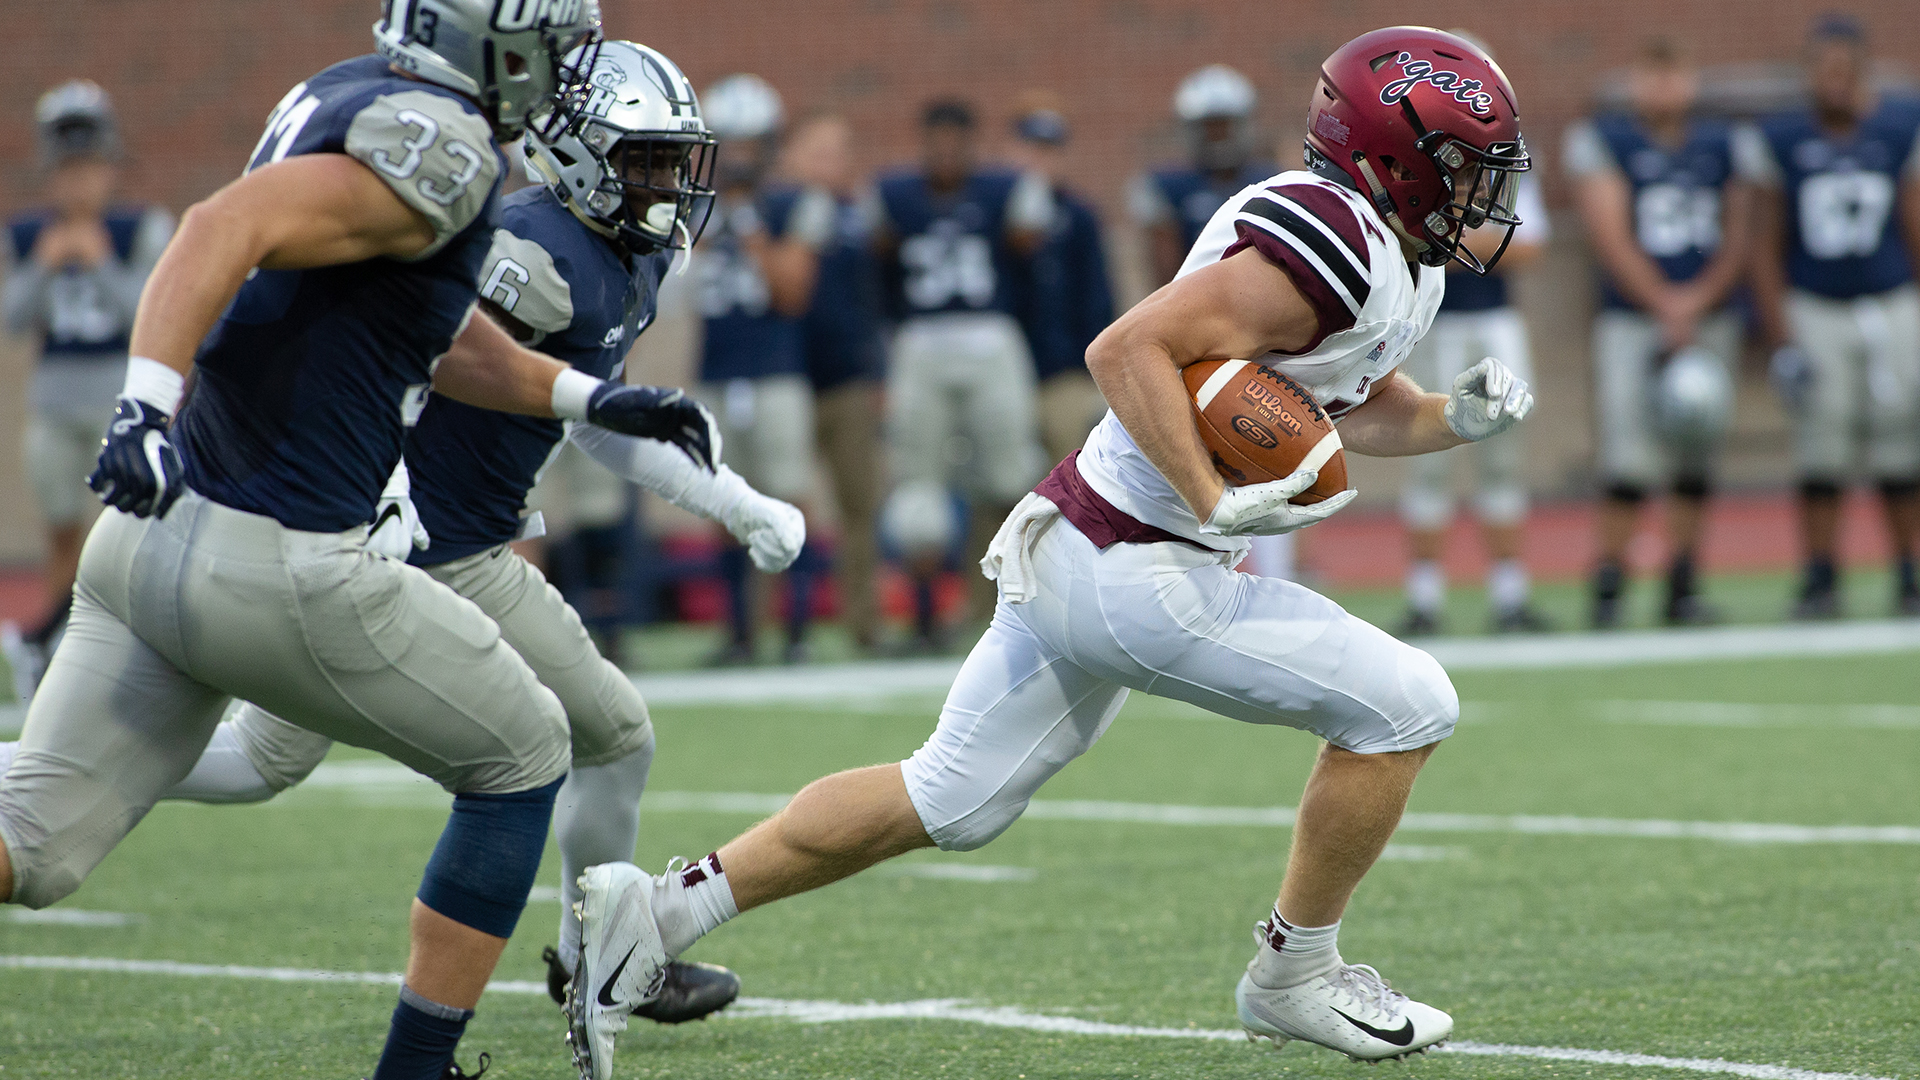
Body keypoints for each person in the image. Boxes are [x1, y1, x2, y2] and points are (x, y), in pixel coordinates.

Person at [567, 27, 1536, 1080]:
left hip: (1084, 544)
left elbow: (1349, 397)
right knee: (1409, 704)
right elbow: (1126, 348)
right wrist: (1214, 496)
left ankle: (651, 919)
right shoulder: (1327, 236)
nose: (1481, 198)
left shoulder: (1394, 258)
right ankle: (1293, 975)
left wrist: (1455, 419)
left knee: (948, 799)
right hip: (1139, 564)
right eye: (1461, 171)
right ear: (1391, 158)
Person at [0, 39, 805, 1027]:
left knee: (262, 763)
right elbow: (403, 354)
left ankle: (34, 775)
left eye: (673, 161)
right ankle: (608, 958)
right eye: (646, 161)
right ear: (583, 156)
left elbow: (589, 413)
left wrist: (732, 501)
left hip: (428, 532)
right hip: (431, 542)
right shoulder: (532, 250)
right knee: (606, 737)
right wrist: (388, 488)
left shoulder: (620, 254)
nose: (669, 184)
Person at [1564, 36, 1751, 629]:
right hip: (1633, 318)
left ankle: (1683, 582)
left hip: (1709, 314)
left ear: (1691, 82)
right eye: (1652, 76)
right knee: (1629, 457)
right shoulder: (1607, 139)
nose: (1663, 89)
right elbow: (1609, 235)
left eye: (1673, 76)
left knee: (1696, 452)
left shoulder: (1724, 143)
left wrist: (1695, 301)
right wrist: (1668, 303)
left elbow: (1741, 229)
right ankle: (1610, 584)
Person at [1740, 13, 1920, 618]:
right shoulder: (1783, 137)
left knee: (1902, 445)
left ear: (1864, 73)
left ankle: (1908, 571)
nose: (1834, 83)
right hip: (1815, 304)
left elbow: (1914, 225)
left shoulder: (1899, 126)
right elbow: (1764, 244)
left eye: (1845, 71)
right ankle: (1821, 577)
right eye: (1823, 71)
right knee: (1823, 446)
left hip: (1890, 298)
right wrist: (1781, 334)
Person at [1, 81, 173, 701]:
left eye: (90, 170)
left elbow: (155, 311)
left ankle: (122, 648)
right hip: (54, 403)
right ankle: (53, 644)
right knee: (61, 536)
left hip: (115, 402)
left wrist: (100, 262)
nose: (79, 186)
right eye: (68, 172)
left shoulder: (139, 229)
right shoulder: (27, 237)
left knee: (126, 535)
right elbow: (11, 319)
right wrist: (43, 265)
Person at [1396, 32, 1553, 636]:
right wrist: (1472, 245)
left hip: (1489, 318)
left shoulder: (1504, 149)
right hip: (1425, 320)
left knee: (1503, 456)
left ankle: (1510, 595)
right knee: (1424, 454)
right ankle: (1424, 598)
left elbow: (1527, 243)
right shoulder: (1409, 148)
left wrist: (1444, 245)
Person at [877, 99, 1048, 649]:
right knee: (917, 483)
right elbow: (874, 268)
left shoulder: (1002, 189)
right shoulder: (894, 195)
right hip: (922, 338)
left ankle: (1018, 606)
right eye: (937, 141)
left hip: (989, 333)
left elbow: (1031, 252)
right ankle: (925, 615)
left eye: (956, 141)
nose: (946, 153)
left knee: (1010, 474)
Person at [695, 74, 828, 664]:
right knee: (721, 504)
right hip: (717, 371)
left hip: (775, 372)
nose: (741, 158)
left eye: (751, 143)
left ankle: (796, 629)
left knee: (788, 495)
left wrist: (748, 225)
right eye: (732, 143)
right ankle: (738, 633)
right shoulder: (693, 208)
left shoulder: (794, 204)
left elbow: (790, 293)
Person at [789, 114, 887, 652]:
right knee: (782, 501)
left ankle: (863, 623)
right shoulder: (777, 211)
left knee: (859, 505)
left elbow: (874, 301)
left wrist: (879, 372)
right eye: (818, 151)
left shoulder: (857, 219)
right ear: (793, 157)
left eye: (839, 152)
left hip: (849, 378)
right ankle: (784, 625)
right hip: (786, 376)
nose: (831, 163)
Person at [1006, 92, 1116, 466]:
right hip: (1007, 363)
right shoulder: (995, 208)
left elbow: (1096, 292)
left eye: (1048, 151)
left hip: (1063, 367)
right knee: (1003, 475)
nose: (1038, 162)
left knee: (1067, 462)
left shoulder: (1078, 216)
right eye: (1030, 150)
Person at [1129, 64, 1277, 288]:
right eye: (1209, 129)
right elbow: (1165, 272)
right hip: (1194, 298)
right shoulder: (1169, 186)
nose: (1218, 138)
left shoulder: (1271, 179)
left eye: (1224, 127)